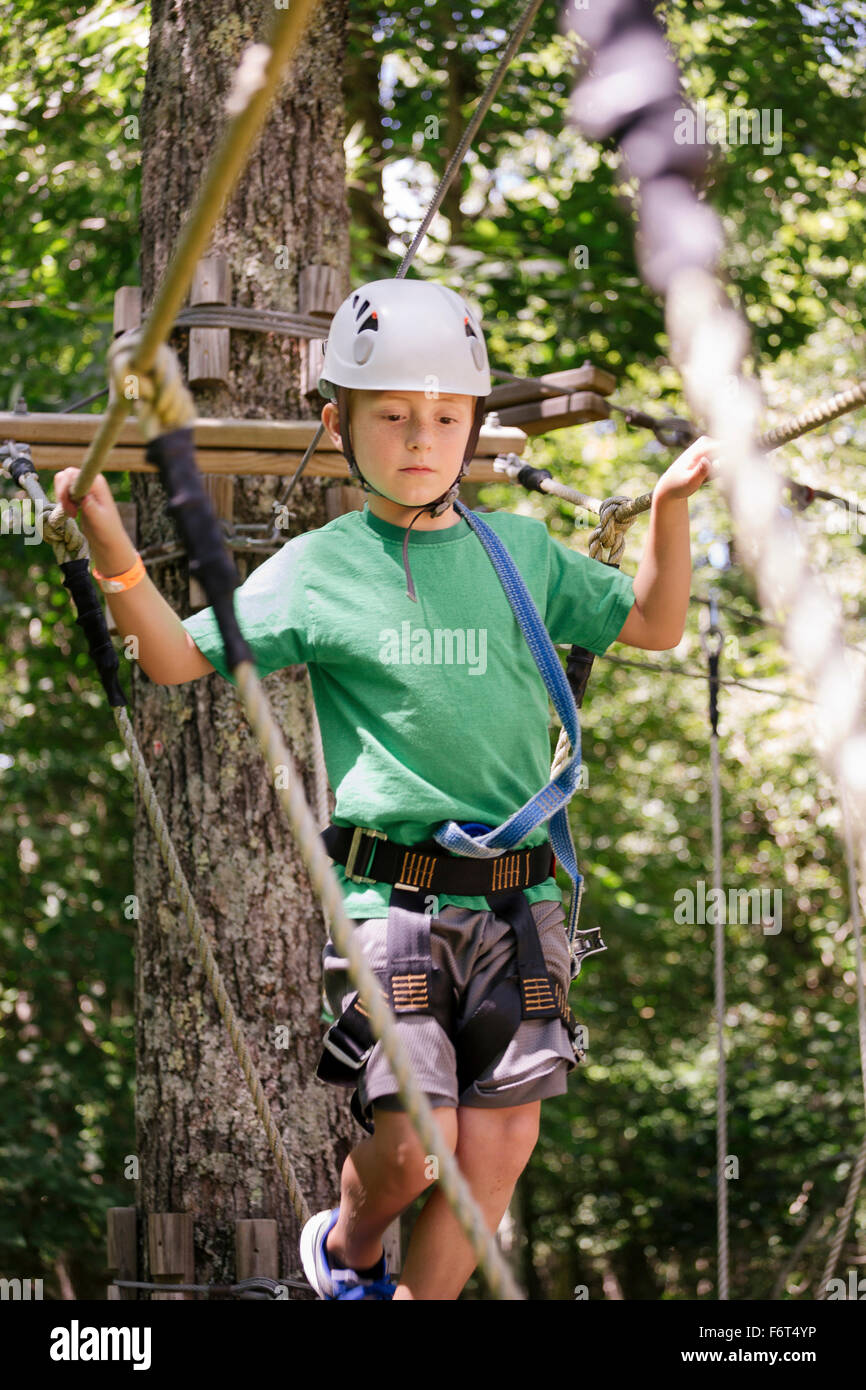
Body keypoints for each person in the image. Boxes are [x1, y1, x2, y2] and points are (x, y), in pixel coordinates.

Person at [53, 277, 716, 1301]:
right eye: (394, 416)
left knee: (496, 1150)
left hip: (521, 901)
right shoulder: (321, 569)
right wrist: (110, 549)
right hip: (395, 904)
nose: (422, 438)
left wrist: (667, 509)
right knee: (414, 1149)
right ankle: (346, 1249)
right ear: (339, 423)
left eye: (446, 418)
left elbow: (652, 622)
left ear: (471, 428)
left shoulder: (523, 552)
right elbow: (176, 662)